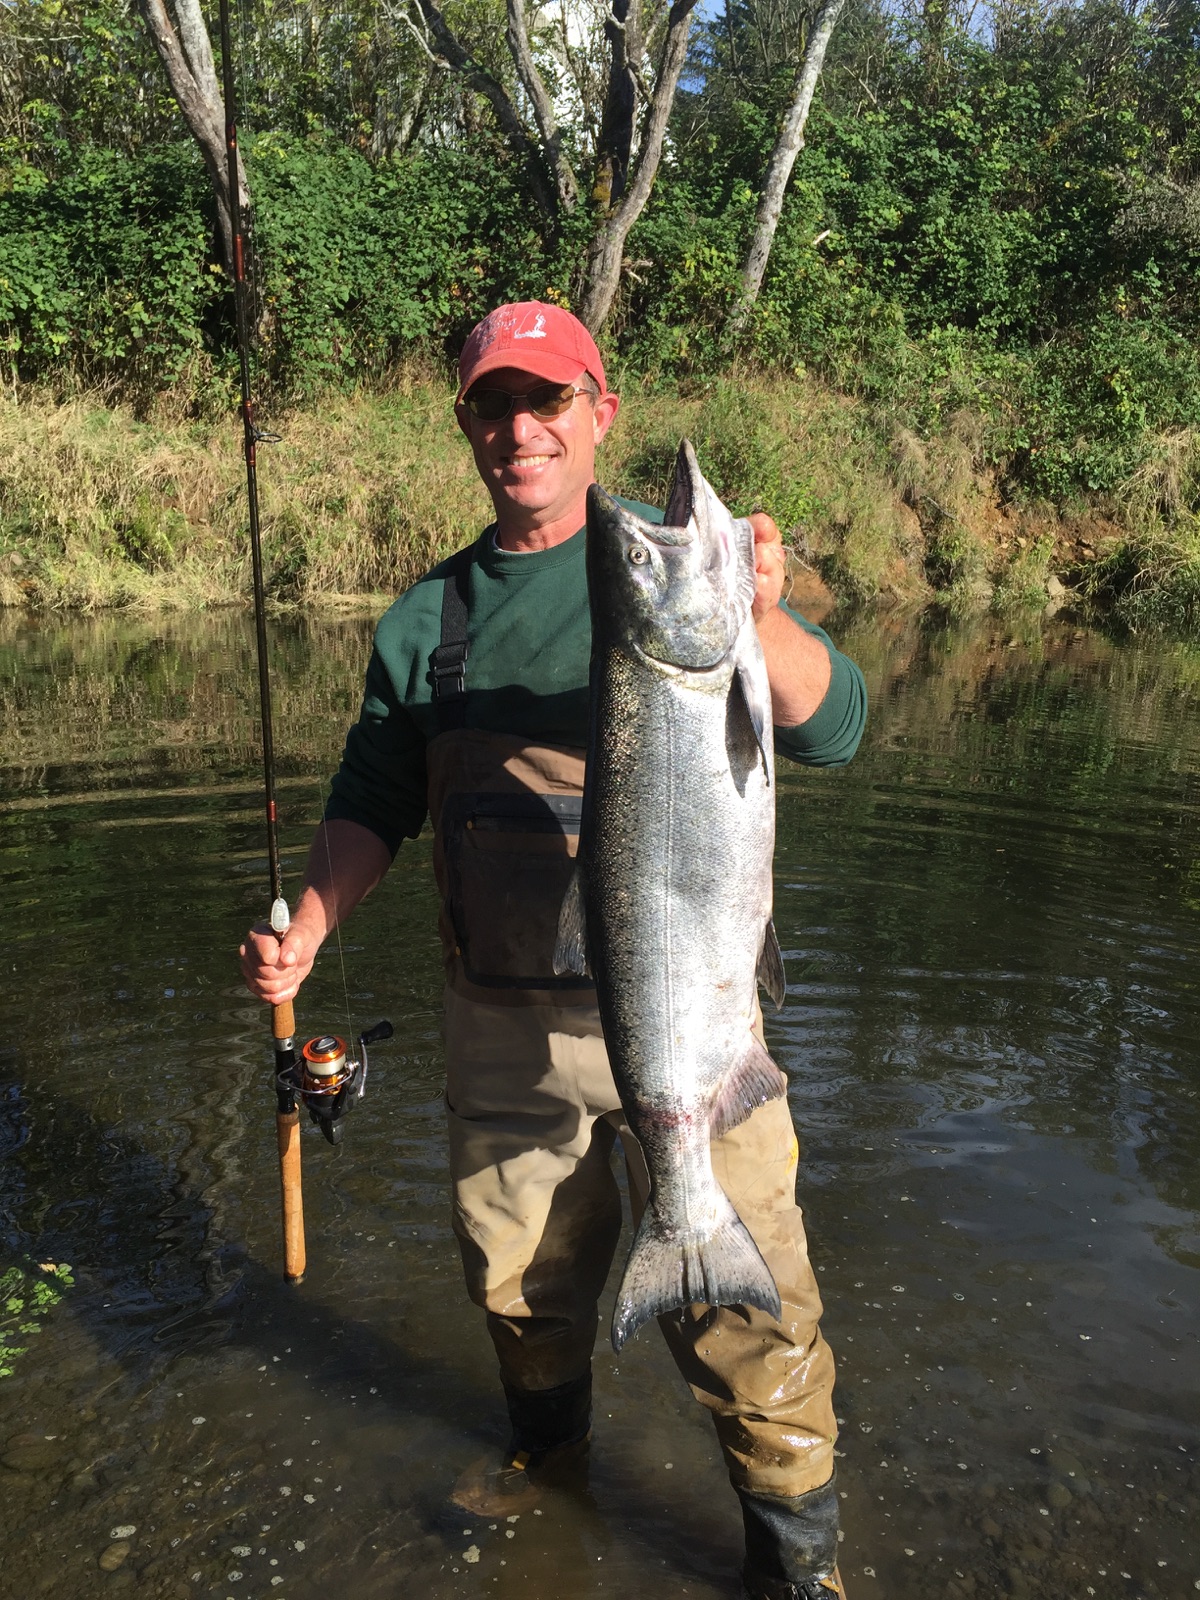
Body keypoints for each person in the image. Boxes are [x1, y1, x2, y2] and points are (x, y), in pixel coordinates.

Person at [241, 302, 867, 1600]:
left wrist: (760, 617)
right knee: (519, 1285)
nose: (518, 429)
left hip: (698, 1037)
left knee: (752, 1320)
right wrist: (306, 930)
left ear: (599, 413)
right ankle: (551, 1466)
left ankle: (796, 1562)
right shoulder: (430, 619)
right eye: (491, 405)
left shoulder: (673, 568)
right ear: (466, 422)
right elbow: (374, 796)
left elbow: (828, 725)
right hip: (502, 1036)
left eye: (548, 402)